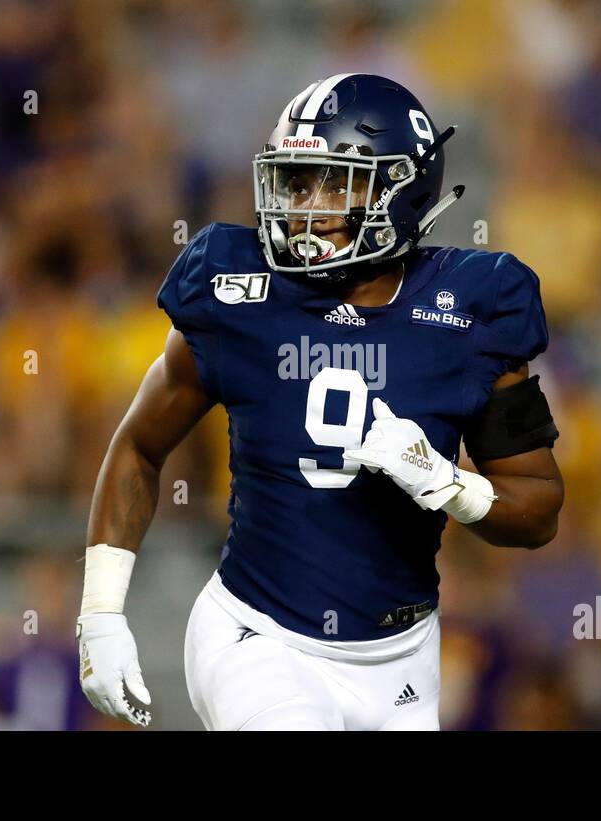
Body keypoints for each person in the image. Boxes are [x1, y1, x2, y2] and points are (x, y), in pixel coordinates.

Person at [76, 74, 563, 730]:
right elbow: (139, 444)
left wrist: (450, 485)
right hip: (259, 636)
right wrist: (101, 613)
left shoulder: (475, 306)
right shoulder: (236, 292)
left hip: (403, 663)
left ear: (401, 187)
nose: (306, 205)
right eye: (299, 182)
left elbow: (537, 506)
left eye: (335, 183)